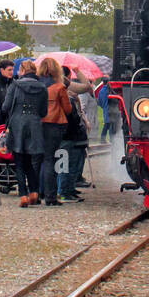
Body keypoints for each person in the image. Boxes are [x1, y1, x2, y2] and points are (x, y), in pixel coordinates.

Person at [2, 59, 48, 207]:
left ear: (22, 71)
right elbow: (43, 111)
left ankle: (23, 195)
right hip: (34, 124)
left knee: (19, 161)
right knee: (30, 160)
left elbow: (6, 106)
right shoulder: (42, 87)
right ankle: (34, 192)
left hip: (17, 125)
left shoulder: (15, 86)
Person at [57, 67, 94, 202]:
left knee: (69, 164)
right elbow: (72, 117)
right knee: (64, 165)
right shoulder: (65, 100)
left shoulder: (70, 98)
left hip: (68, 134)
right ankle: (63, 191)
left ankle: (68, 189)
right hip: (67, 135)